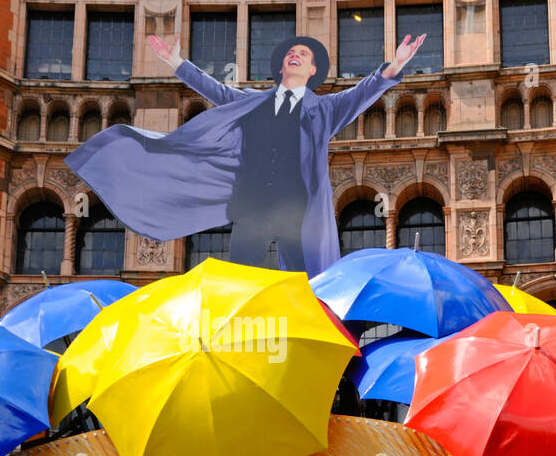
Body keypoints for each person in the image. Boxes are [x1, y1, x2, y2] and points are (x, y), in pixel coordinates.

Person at [65, 32, 425, 276]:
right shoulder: (252, 103)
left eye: (304, 55)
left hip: (295, 209)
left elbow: (361, 94)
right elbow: (216, 90)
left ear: (313, 71)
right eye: (291, 53)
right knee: (240, 279)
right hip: (251, 204)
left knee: (304, 284)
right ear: (282, 67)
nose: (295, 55)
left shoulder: (325, 109)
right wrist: (178, 63)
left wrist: (393, 67)